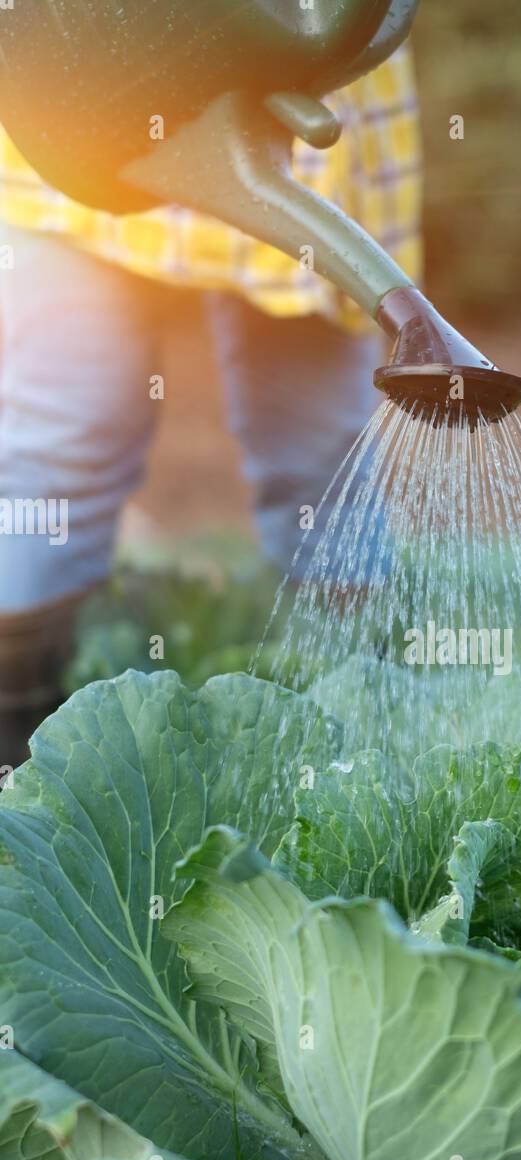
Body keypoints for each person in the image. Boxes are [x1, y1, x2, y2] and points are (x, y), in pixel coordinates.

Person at [0, 44, 421, 771]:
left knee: (323, 448)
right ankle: (21, 753)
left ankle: (358, 752)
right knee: (65, 421)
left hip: (294, 70)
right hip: (78, 83)